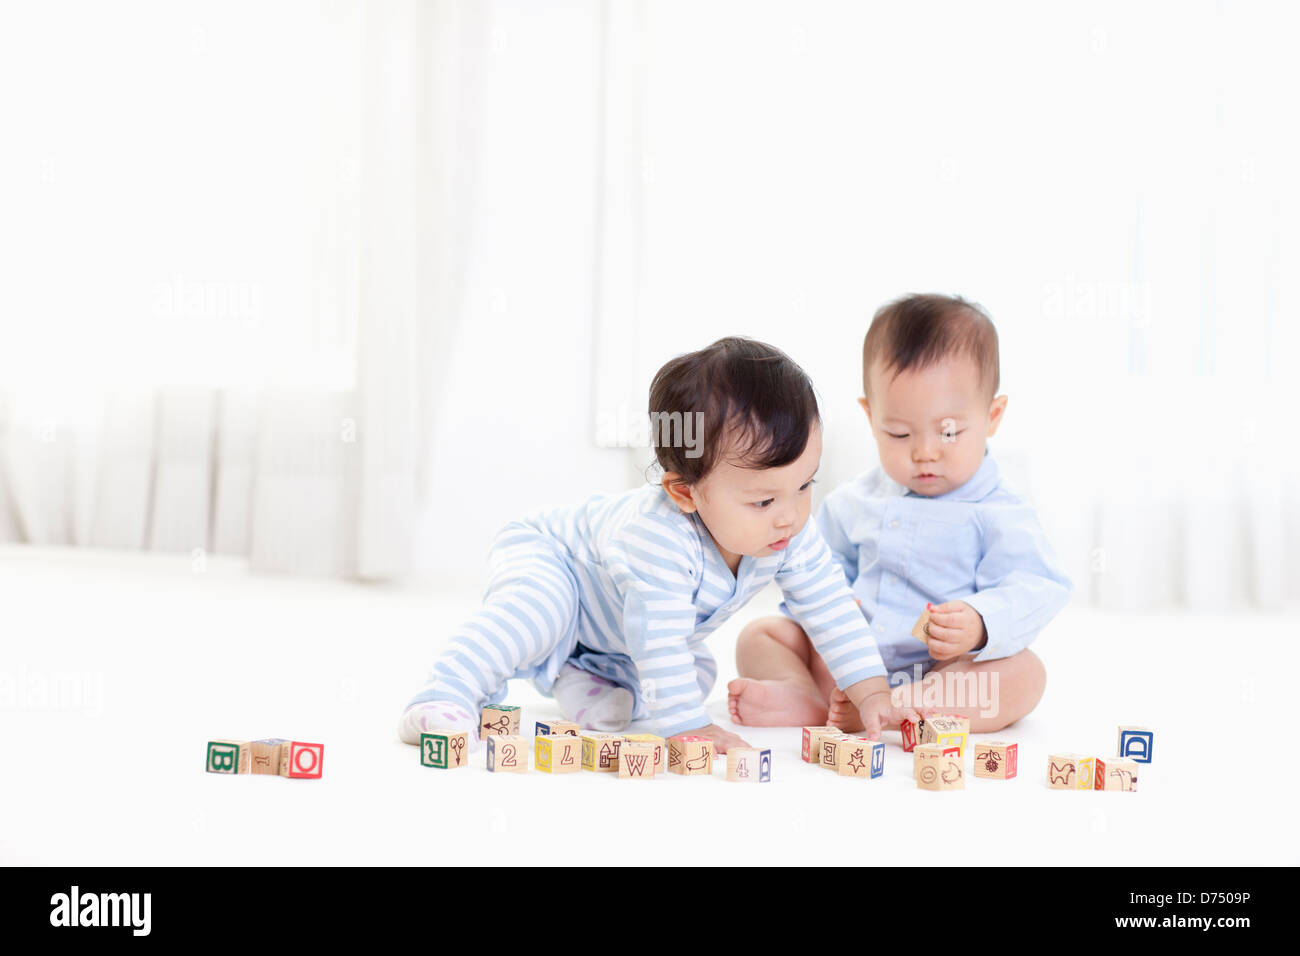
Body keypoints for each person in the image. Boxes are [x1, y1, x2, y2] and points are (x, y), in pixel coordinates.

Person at [397, 336, 921, 752]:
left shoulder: (788, 532)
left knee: (692, 673)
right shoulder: (659, 538)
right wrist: (687, 727)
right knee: (539, 615)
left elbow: (829, 606)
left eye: (806, 485)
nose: (791, 514)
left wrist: (873, 691)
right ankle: (448, 691)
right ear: (684, 492)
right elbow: (659, 635)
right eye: (763, 501)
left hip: (614, 625)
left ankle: (591, 672)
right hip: (558, 561)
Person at [728, 294, 1072, 733]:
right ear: (871, 418)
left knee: (1026, 675)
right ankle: (810, 697)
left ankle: (903, 705)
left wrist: (981, 622)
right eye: (899, 432)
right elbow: (814, 564)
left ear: (993, 416)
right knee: (760, 636)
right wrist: (832, 600)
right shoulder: (853, 502)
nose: (924, 452)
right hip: (850, 662)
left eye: (949, 431)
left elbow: (1037, 585)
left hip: (941, 671)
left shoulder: (1001, 512)